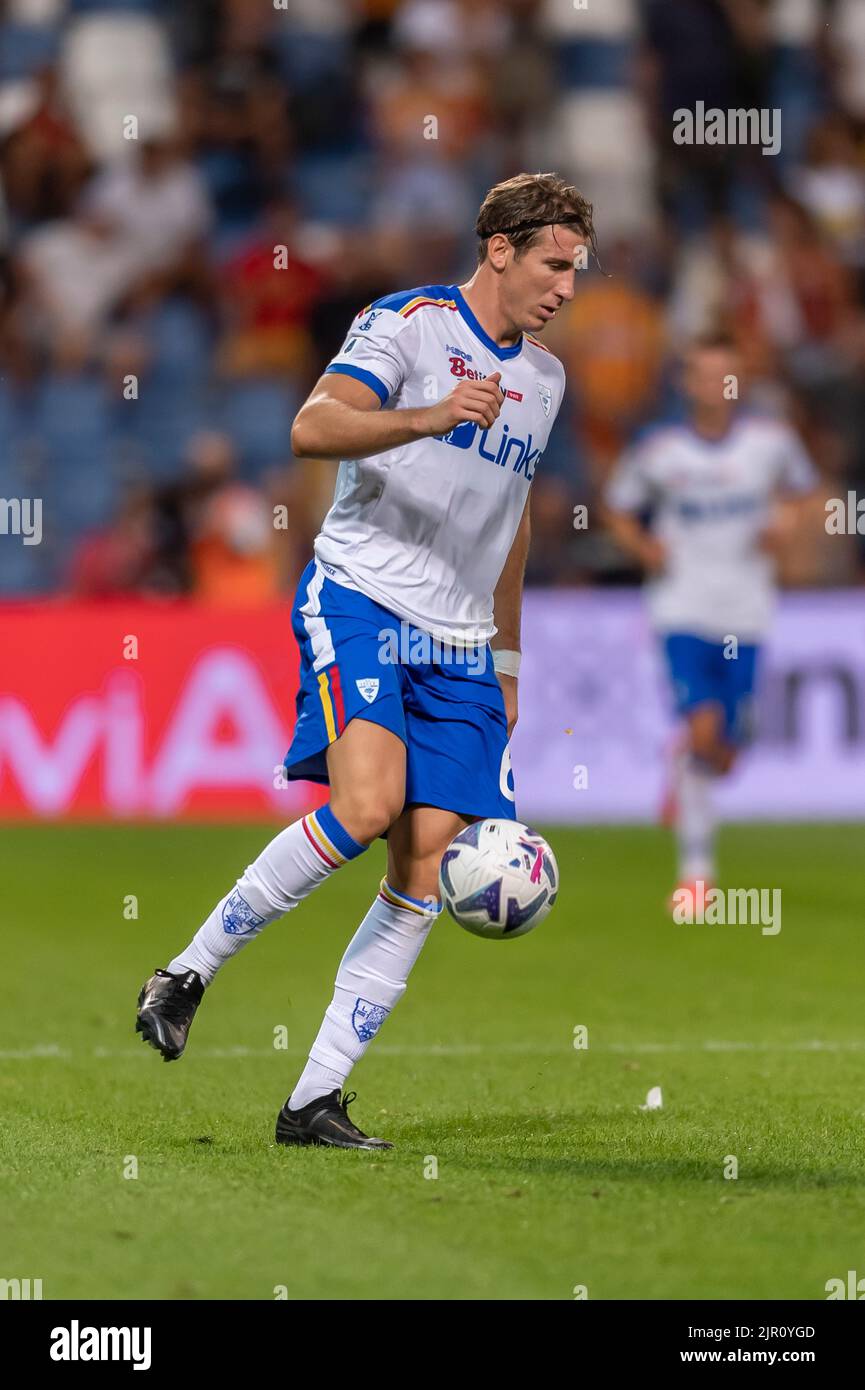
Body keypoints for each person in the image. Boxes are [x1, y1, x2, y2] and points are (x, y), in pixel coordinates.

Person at [135, 171, 592, 1149]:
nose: (564, 287)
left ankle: (313, 1101)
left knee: (425, 858)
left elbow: (507, 530)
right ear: (500, 248)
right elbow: (313, 427)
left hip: (465, 641)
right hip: (363, 596)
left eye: (577, 271)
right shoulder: (411, 324)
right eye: (554, 264)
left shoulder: (544, 380)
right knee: (367, 805)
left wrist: (507, 662)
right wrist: (427, 415)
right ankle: (186, 971)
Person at [603, 334, 817, 907]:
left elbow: (804, 493)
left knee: (726, 749)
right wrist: (645, 547)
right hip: (682, 608)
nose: (717, 386)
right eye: (705, 374)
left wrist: (786, 527)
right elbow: (618, 507)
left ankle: (687, 767)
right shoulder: (660, 450)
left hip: (746, 610)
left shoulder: (771, 444)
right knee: (702, 729)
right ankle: (697, 873)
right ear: (687, 383)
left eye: (727, 374)